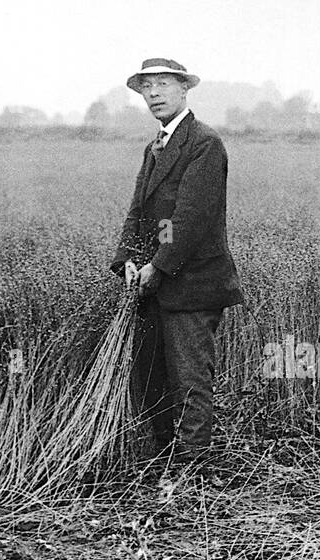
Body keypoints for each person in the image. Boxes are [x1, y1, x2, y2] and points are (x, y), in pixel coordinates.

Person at [109, 58, 244, 466]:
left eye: (163, 84)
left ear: (184, 90)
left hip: (194, 285)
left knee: (189, 380)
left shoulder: (203, 143)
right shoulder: (155, 147)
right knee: (153, 377)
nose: (154, 94)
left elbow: (189, 218)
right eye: (147, 87)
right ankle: (164, 458)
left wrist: (158, 264)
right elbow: (140, 213)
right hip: (156, 281)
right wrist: (131, 259)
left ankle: (192, 468)